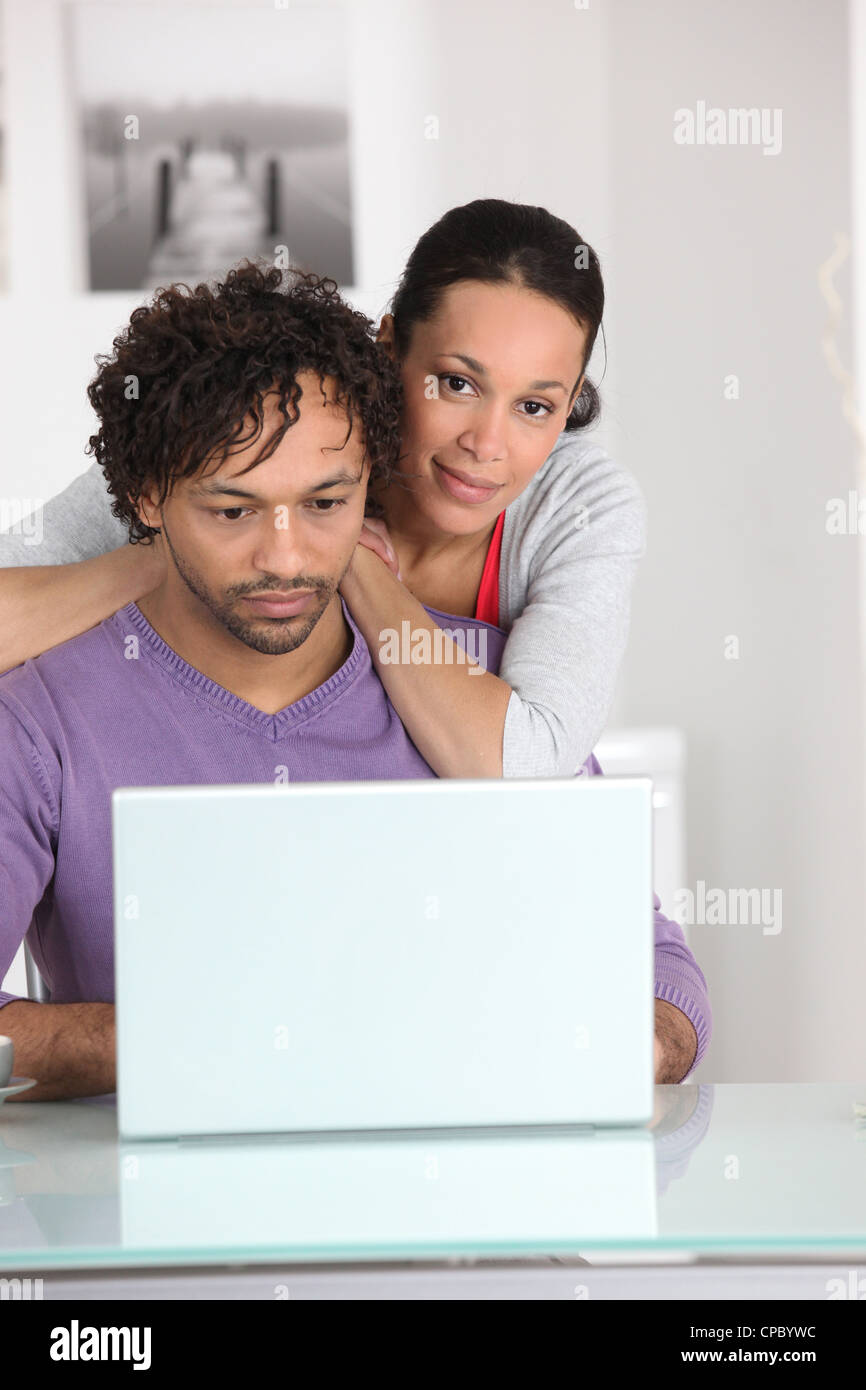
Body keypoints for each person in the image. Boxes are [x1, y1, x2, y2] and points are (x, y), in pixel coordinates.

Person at [0, 265, 710, 1100]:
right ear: (148, 500)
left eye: (327, 503)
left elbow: (661, 979)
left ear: (372, 479)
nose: (286, 557)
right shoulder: (40, 716)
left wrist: (623, 1047)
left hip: (463, 1216)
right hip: (167, 1214)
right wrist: (205, 1039)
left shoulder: (476, 685)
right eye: (234, 511)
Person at [0, 200, 645, 779]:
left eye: (535, 406)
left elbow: (528, 764)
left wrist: (353, 569)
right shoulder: (269, 424)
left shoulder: (579, 505)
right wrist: (165, 552)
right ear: (392, 348)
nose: (487, 443)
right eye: (457, 384)